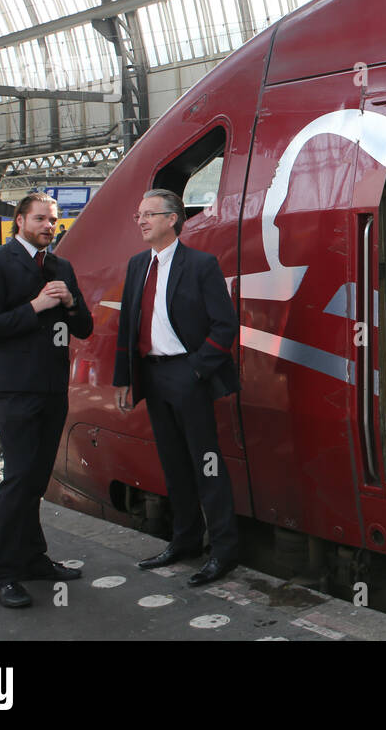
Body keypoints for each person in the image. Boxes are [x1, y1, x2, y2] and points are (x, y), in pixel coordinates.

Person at [0, 192, 92, 608]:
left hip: (52, 386)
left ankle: (32, 558)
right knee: (19, 479)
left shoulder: (61, 267)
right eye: (40, 219)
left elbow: (86, 329)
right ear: (19, 220)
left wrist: (72, 302)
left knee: (37, 478)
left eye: (54, 220)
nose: (49, 226)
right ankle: (2, 573)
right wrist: (36, 306)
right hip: (14, 387)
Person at [113, 189, 241, 586]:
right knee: (173, 464)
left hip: (189, 376)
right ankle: (184, 541)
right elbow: (127, 328)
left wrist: (197, 371)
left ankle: (224, 552)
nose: (142, 221)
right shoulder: (137, 266)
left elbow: (225, 326)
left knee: (207, 464)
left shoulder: (201, 265)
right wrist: (124, 378)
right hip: (152, 376)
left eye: (150, 214)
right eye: (139, 215)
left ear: (173, 219)